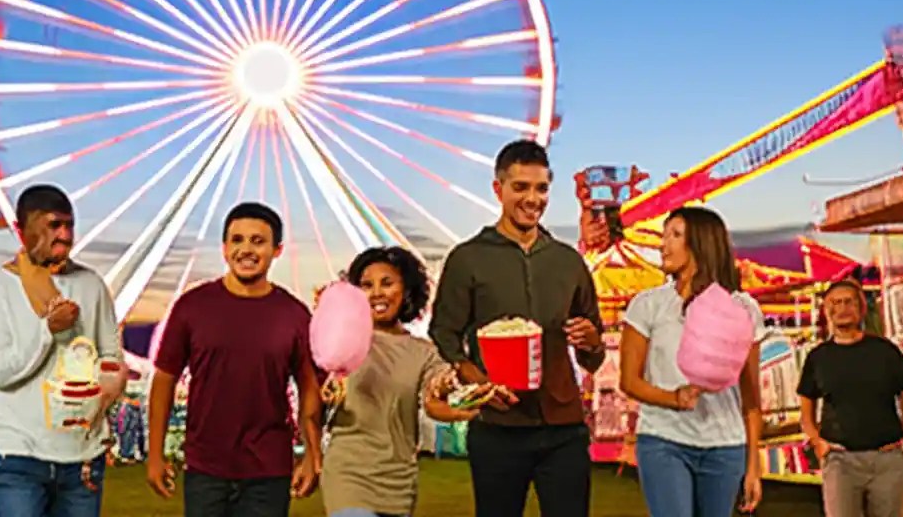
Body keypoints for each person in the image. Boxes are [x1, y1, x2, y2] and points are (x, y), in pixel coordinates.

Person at [428, 139, 605, 517]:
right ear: (498, 189)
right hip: (497, 429)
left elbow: (593, 353)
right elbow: (444, 333)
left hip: (564, 427)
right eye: (520, 187)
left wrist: (590, 342)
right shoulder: (468, 259)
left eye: (541, 188)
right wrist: (478, 382)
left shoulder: (568, 262)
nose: (533, 198)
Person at [147, 201, 323, 516]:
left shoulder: (294, 315)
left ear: (277, 250)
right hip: (206, 467)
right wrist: (155, 454)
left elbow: (309, 386)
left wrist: (312, 455)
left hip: (269, 470)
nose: (247, 249)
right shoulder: (192, 307)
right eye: (237, 240)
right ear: (224, 248)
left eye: (258, 241)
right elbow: (164, 379)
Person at [0, 184, 126, 516]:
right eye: (53, 225)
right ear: (22, 230)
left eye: (69, 225)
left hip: (83, 456)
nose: (65, 235)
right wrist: (47, 332)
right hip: (19, 455)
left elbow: (111, 356)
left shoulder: (92, 285)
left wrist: (108, 384)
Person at [619, 206, 764, 517]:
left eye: (675, 235)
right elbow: (629, 381)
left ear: (701, 242)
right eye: (664, 235)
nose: (663, 244)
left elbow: (751, 401)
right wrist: (673, 398)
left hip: (725, 447)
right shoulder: (648, 306)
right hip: (664, 440)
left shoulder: (743, 309)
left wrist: (753, 467)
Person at [321, 246, 479, 517]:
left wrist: (451, 402)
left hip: (398, 479)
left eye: (387, 283)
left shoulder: (423, 352)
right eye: (366, 285)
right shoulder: (342, 341)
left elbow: (433, 401)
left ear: (407, 291)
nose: (377, 293)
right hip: (348, 472)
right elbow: (321, 389)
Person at [798, 279, 903, 517]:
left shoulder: (884, 351)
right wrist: (818, 443)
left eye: (848, 301)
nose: (842, 308)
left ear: (860, 308)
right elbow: (806, 411)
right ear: (827, 311)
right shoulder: (818, 358)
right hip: (840, 461)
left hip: (887, 460)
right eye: (835, 303)